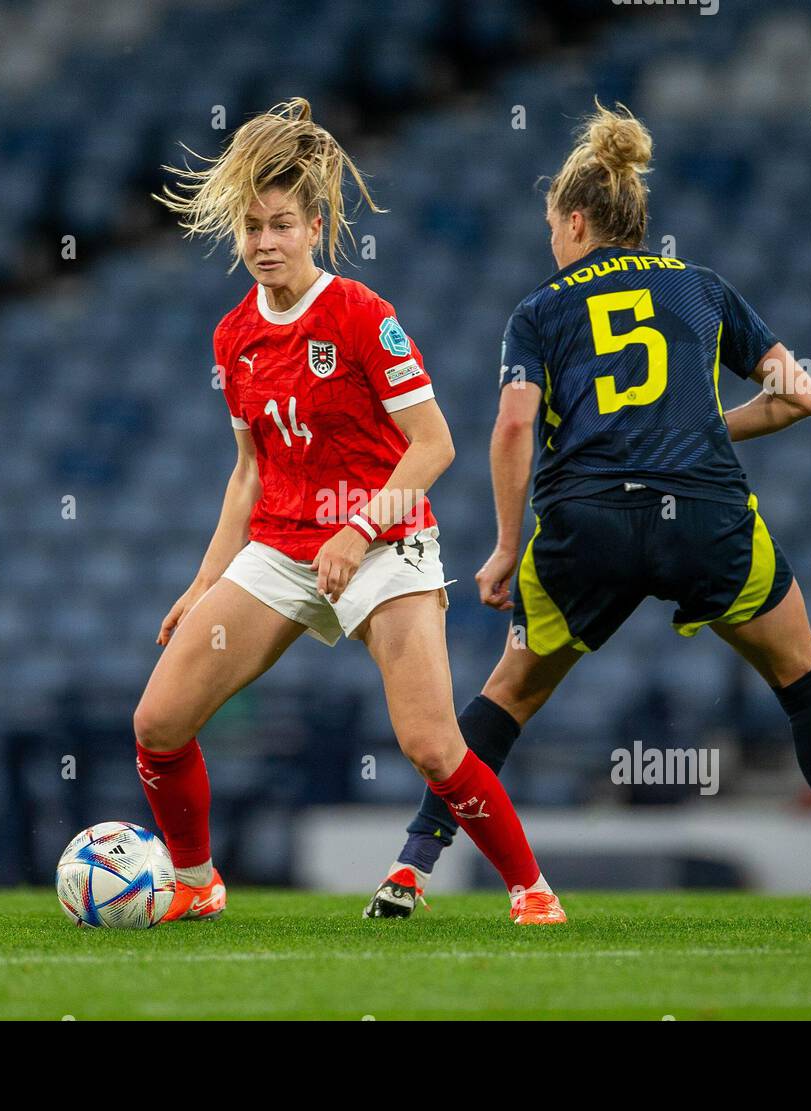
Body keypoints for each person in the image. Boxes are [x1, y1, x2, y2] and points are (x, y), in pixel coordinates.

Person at [367, 100, 811, 923]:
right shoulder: (699, 287)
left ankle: (410, 868)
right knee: (802, 677)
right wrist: (701, 429)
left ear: (577, 221)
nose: (551, 238)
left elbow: (514, 424)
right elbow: (800, 395)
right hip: (704, 509)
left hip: (587, 521)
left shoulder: (541, 309)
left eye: (553, 223)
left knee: (506, 697)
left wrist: (508, 544)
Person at [138, 98, 565, 925]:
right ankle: (196, 883)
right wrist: (203, 582)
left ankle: (531, 889)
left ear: (317, 224)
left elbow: (434, 444)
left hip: (385, 543)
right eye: (251, 227)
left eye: (281, 225)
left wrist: (359, 526)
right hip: (282, 545)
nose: (264, 243)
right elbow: (247, 475)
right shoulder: (233, 337)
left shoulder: (363, 315)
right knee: (158, 722)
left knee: (432, 744)